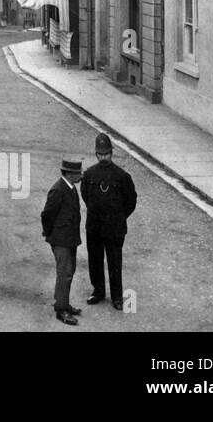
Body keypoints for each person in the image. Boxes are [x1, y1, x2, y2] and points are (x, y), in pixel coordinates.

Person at [81, 132, 137, 310]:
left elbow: (131, 201)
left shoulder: (122, 177)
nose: (103, 157)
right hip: (95, 227)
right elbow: (85, 196)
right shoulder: (89, 174)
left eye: (106, 153)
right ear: (95, 154)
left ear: (111, 153)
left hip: (114, 229)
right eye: (100, 154)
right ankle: (98, 291)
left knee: (114, 262)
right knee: (95, 260)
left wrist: (119, 217)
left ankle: (117, 297)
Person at [41, 158, 84, 325]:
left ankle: (63, 303)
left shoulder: (70, 188)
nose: (81, 175)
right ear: (70, 174)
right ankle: (61, 310)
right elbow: (46, 215)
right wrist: (50, 233)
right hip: (61, 240)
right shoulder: (58, 190)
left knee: (69, 271)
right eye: (78, 173)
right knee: (64, 273)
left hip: (69, 238)